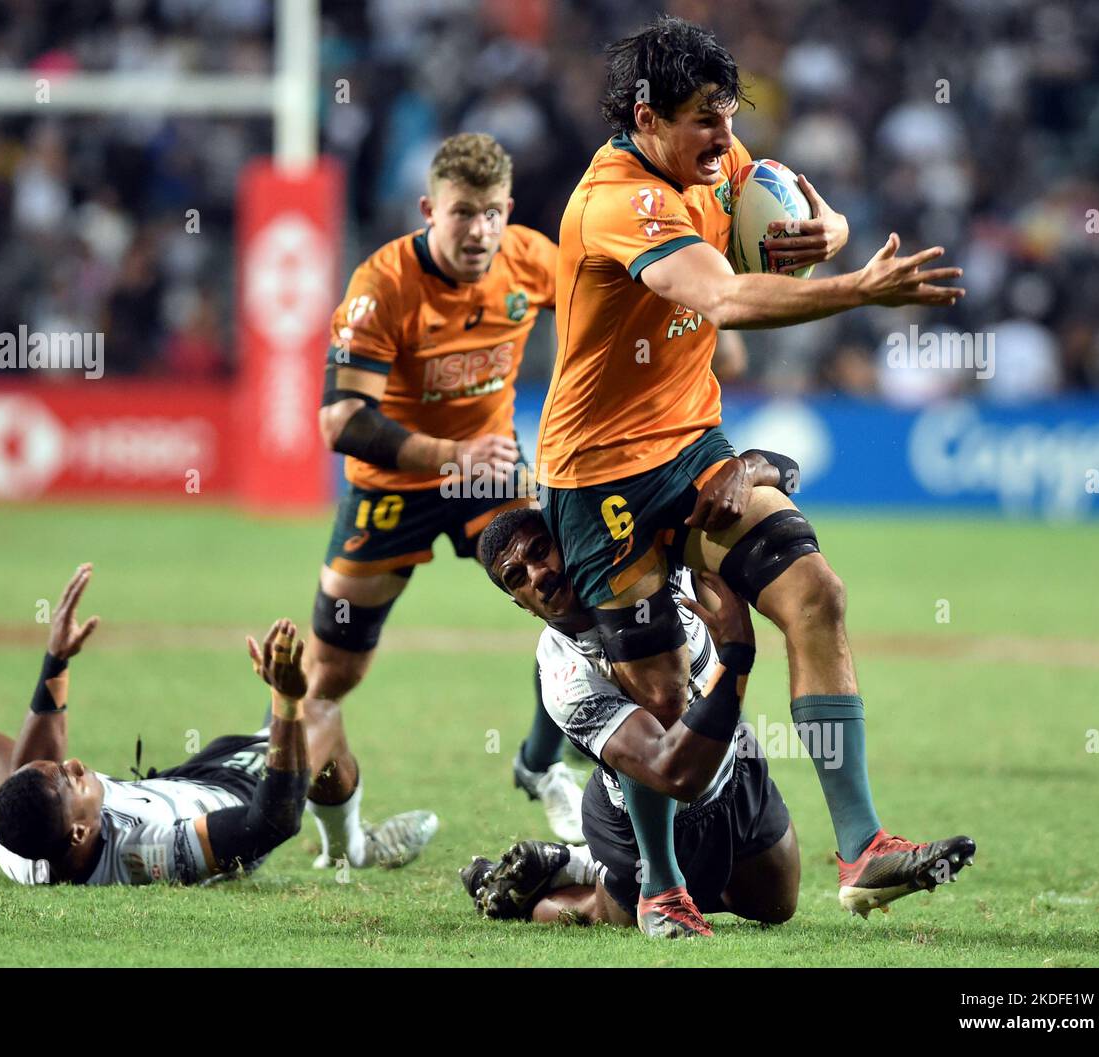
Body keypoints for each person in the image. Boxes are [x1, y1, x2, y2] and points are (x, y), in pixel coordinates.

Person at [535, 14, 973, 926]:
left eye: (730, 114)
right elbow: (725, 295)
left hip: (693, 446)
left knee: (815, 593)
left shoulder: (714, 164)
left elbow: (812, 215)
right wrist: (853, 290)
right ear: (646, 118)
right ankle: (654, 884)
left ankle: (862, 848)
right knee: (658, 703)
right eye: (705, 118)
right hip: (598, 477)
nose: (726, 137)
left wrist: (829, 232)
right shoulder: (616, 200)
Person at [471, 506, 974, 935]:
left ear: (568, 542)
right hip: (637, 821)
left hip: (733, 775)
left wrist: (750, 470)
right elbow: (673, 773)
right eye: (518, 577)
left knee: (774, 908)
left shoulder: (654, 563)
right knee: (604, 911)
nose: (537, 575)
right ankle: (607, 883)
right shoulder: (562, 671)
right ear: (518, 602)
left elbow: (764, 476)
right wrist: (736, 657)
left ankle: (567, 862)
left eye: (540, 552)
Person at [310, 131, 582, 863]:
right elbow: (340, 419)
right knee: (327, 677)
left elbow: (608, 303)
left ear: (510, 210)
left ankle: (541, 762)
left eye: (492, 213)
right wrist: (449, 453)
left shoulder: (529, 257)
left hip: (490, 473)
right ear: (430, 209)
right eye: (463, 213)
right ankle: (345, 847)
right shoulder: (383, 283)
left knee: (572, 599)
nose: (480, 230)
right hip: (392, 484)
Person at [0, 564, 435, 884]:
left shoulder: (21, 850)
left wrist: (56, 660)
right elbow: (271, 824)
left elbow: (31, 776)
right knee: (323, 712)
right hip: (232, 794)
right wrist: (285, 704)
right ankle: (349, 849)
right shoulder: (143, 853)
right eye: (70, 777)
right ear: (82, 832)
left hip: (159, 785)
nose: (76, 764)